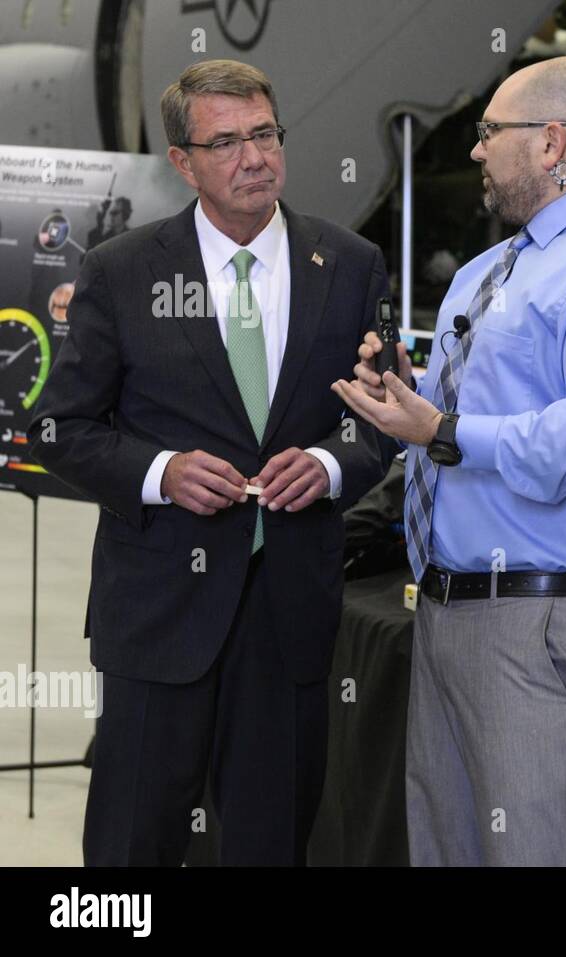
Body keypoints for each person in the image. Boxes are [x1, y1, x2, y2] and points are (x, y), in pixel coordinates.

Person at [334, 55, 566, 866]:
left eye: (491, 131)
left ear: (553, 143)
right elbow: (468, 420)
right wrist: (406, 401)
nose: (475, 151)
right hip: (451, 611)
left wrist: (445, 429)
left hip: (540, 625)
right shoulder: (489, 269)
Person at [28, 59, 388, 866]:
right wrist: (161, 473)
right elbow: (60, 429)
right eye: (225, 143)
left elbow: (379, 422)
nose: (254, 157)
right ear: (183, 163)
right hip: (157, 618)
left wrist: (331, 466)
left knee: (270, 846)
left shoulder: (350, 264)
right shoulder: (121, 271)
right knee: (130, 850)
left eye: (264, 133)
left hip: (289, 619)